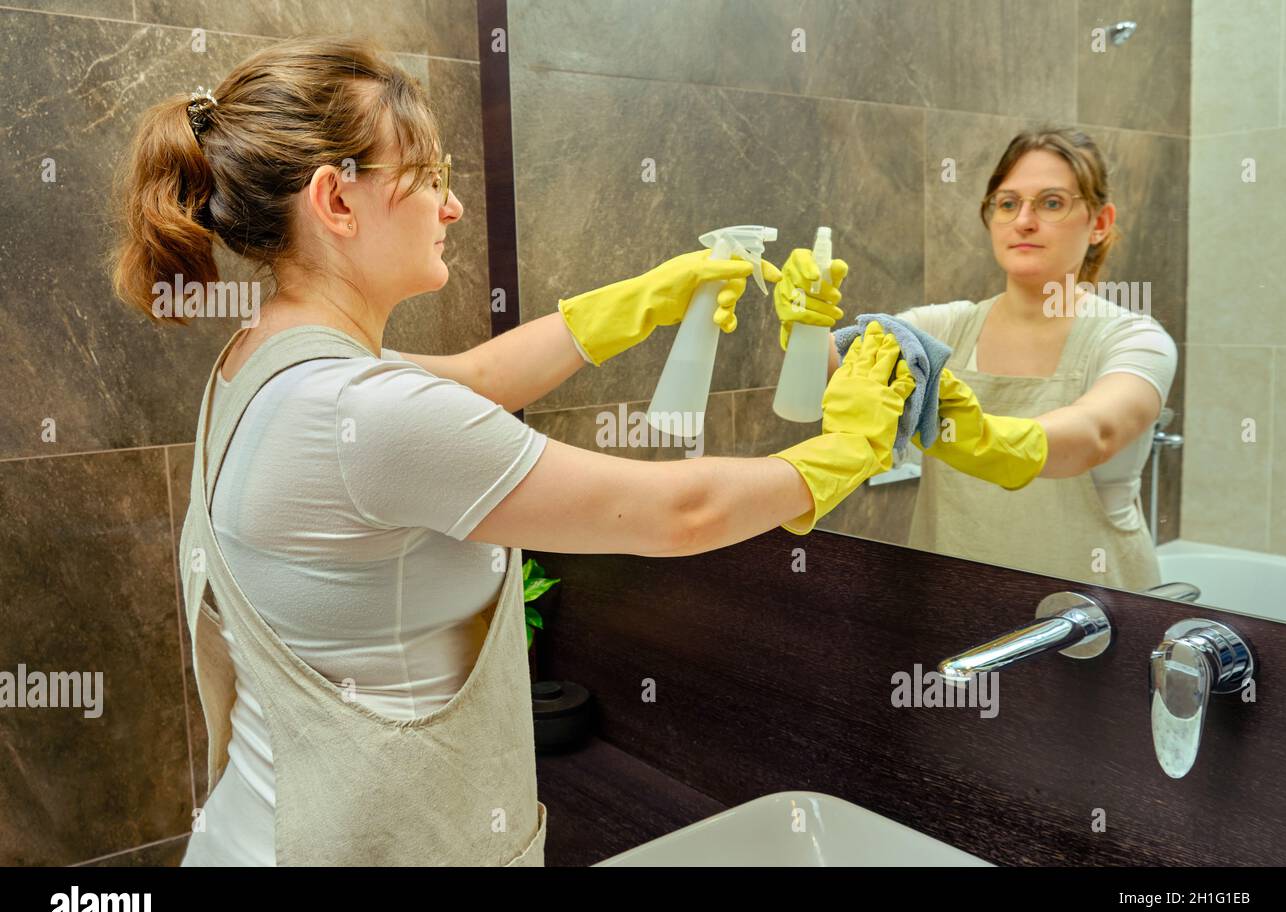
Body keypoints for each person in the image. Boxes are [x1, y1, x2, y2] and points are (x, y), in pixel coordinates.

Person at [111, 35, 1016, 866]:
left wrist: (646, 301)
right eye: (429, 176)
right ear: (338, 199)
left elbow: (467, 380)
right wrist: (850, 445)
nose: (454, 205)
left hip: (264, 829)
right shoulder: (364, 411)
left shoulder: (266, 362)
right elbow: (679, 513)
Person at [807, 127, 1176, 590]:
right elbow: (836, 379)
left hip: (1095, 617)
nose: (1023, 220)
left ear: (1099, 222)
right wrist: (805, 322)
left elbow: (1095, 434)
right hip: (954, 606)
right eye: (1007, 203)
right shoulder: (938, 329)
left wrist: (983, 438)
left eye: (1052, 202)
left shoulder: (1135, 339)